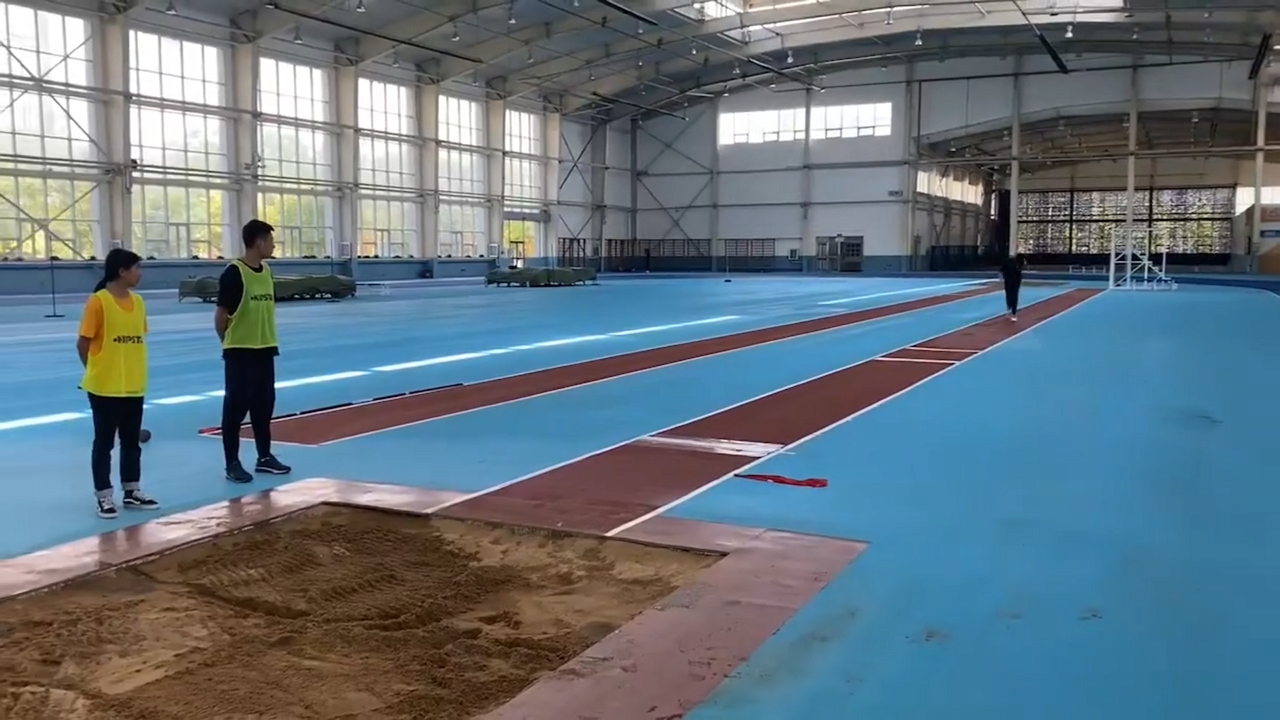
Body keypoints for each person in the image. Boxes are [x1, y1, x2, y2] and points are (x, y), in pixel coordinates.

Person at [77, 249, 161, 518]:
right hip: (104, 388)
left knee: (131, 442)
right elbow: (83, 343)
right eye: (137, 268)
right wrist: (97, 370)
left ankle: (132, 490)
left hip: (133, 386)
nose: (140, 273)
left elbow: (136, 339)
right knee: (104, 444)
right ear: (122, 271)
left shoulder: (139, 303)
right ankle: (103, 495)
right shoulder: (98, 302)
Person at [215, 219, 291, 483]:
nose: (273, 245)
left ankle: (264, 457)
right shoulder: (234, 273)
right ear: (259, 243)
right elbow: (221, 316)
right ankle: (232, 463)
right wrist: (231, 342)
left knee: (263, 406)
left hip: (265, 349)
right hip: (240, 352)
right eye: (270, 241)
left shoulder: (267, 271)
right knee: (235, 410)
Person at [999, 253, 1027, 321]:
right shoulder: (1015, 263)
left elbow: (1001, 271)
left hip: (1011, 281)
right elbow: (1001, 270)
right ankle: (1012, 312)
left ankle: (1011, 311)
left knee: (1010, 296)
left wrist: (1001, 278)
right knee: (1013, 296)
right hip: (1012, 281)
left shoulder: (1015, 262)